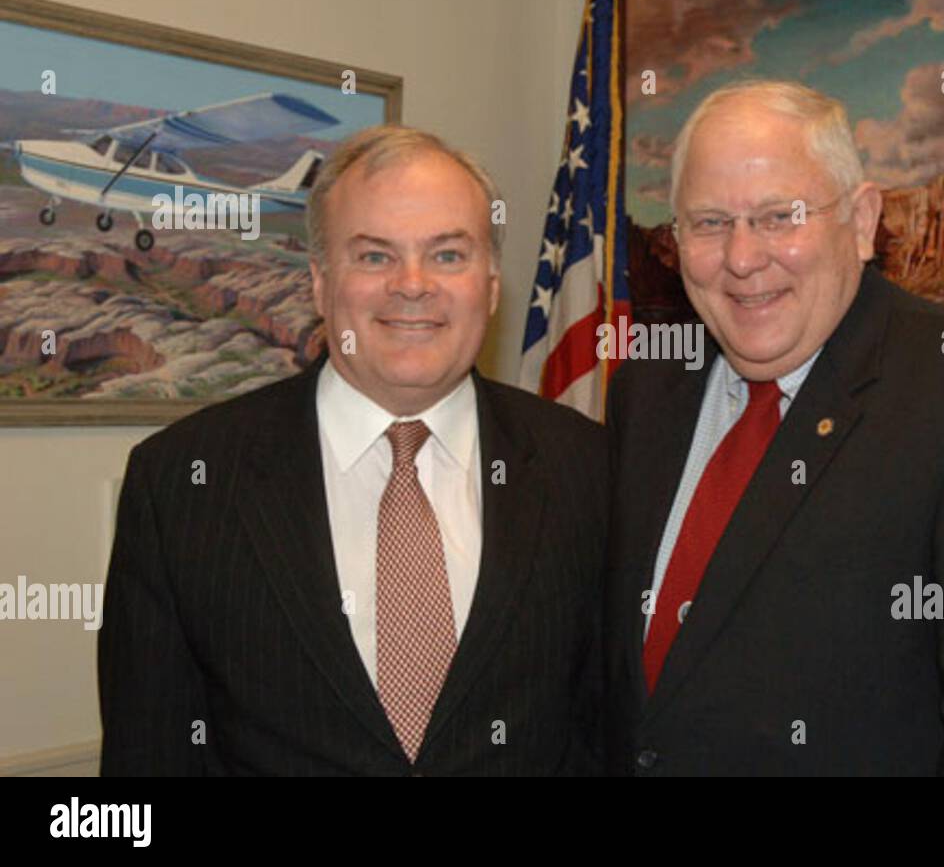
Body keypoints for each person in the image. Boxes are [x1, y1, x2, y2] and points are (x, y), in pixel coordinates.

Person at [604, 81, 944, 775]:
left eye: (781, 216)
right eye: (709, 222)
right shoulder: (647, 387)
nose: (744, 257)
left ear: (863, 220)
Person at [99, 125, 605, 775]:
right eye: (373, 256)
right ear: (318, 283)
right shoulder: (181, 484)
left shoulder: (586, 469)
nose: (413, 284)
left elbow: (602, 736)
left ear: (493, 283)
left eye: (448, 255)